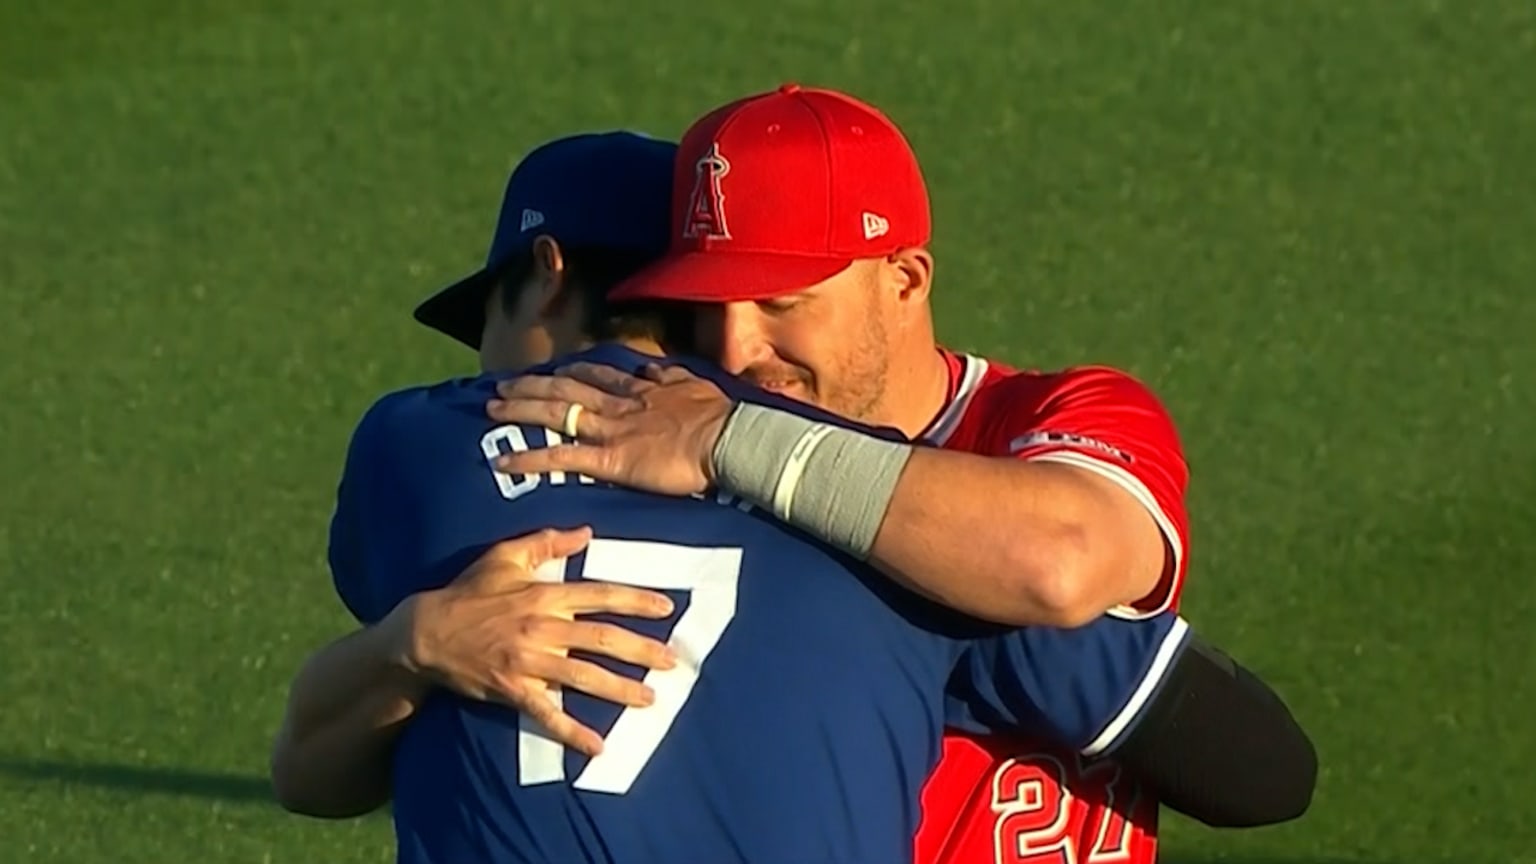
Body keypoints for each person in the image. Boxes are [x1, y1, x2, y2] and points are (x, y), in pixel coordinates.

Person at [271, 130, 1315, 859]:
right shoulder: (906, 540)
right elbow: (1262, 769)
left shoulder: (412, 447)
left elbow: (314, 774)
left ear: (544, 273)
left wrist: (410, 643)